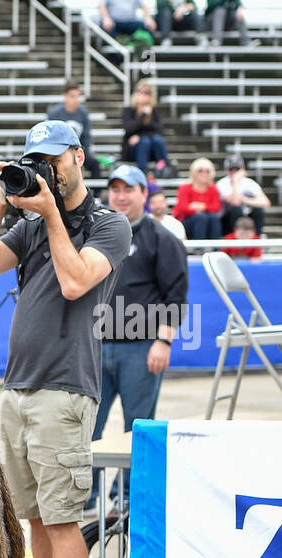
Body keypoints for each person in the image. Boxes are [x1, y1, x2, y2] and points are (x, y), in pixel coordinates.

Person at [0, 120, 131, 558]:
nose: (46, 169)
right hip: (19, 388)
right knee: (36, 516)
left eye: (53, 158)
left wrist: (48, 215)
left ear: (78, 157)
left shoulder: (108, 224)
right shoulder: (32, 221)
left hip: (65, 388)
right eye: (35, 160)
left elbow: (76, 282)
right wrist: (0, 203)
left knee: (64, 519)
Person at [91, 164, 187, 509]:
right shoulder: (97, 233)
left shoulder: (162, 239)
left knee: (138, 429)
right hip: (96, 346)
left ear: (144, 195)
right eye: (115, 189)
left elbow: (175, 295)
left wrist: (163, 341)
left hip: (141, 347)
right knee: (88, 424)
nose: (120, 196)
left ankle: (127, 498)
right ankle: (86, 495)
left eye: (128, 189)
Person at [48, 81, 101, 179]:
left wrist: (82, 152)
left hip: (78, 150)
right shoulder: (55, 113)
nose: (76, 100)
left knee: (94, 164)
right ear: (65, 96)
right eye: (72, 96)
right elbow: (51, 137)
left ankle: (96, 193)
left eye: (77, 96)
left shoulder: (83, 113)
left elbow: (86, 137)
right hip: (60, 152)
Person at [121, 81, 170, 178]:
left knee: (156, 139)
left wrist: (139, 136)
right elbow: (129, 128)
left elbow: (160, 130)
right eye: (140, 91)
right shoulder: (129, 110)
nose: (143, 95)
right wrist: (143, 116)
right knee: (145, 141)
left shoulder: (154, 112)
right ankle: (143, 172)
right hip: (133, 150)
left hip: (151, 148)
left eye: (147, 92)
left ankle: (165, 167)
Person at [217, 153, 270, 235]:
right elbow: (235, 202)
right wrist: (235, 181)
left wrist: (245, 200)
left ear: (242, 169)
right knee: (236, 209)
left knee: (258, 210)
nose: (234, 172)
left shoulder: (249, 183)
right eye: (231, 169)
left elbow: (265, 202)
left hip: (246, 216)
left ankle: (257, 238)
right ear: (226, 170)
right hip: (227, 221)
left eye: (237, 169)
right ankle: (234, 240)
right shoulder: (222, 184)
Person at [173, 157, 223, 239]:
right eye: (200, 171)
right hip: (187, 222)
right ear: (194, 172)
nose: (204, 174)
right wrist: (204, 209)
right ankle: (198, 249)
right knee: (201, 217)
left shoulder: (213, 188)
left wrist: (200, 206)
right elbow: (182, 208)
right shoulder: (185, 188)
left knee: (214, 218)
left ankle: (215, 247)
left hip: (207, 220)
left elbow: (216, 207)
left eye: (207, 171)